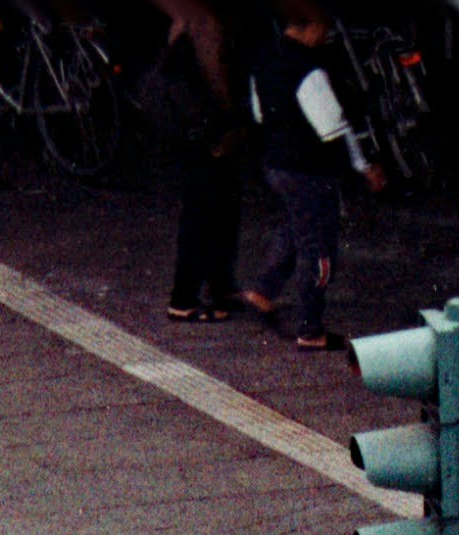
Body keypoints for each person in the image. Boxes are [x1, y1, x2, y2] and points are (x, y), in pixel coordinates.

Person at [241, 0, 381, 350]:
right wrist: (364, 167)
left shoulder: (264, 59)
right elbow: (333, 128)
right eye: (326, 28)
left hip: (276, 165)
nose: (327, 35)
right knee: (318, 248)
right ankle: (310, 328)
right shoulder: (307, 68)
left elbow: (259, 114)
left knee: (293, 226)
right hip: (309, 170)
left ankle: (262, 291)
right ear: (314, 25)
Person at [142, 0, 242, 321]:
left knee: (214, 196)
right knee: (208, 199)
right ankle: (186, 296)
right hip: (201, 119)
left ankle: (216, 284)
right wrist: (225, 121)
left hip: (186, 115)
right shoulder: (203, 23)